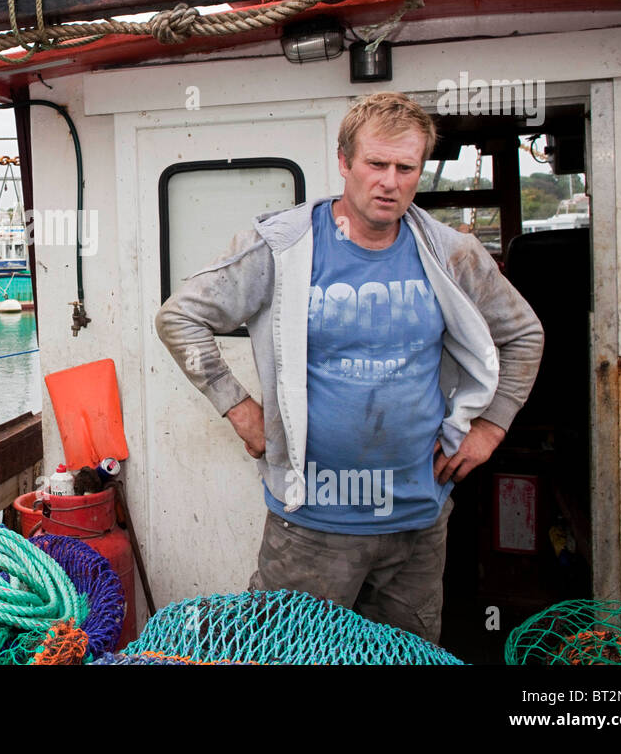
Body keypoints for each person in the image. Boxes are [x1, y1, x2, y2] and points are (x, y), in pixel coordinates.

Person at [154, 91, 543, 643]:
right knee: (290, 655)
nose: (390, 181)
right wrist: (240, 411)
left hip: (417, 521)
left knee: (406, 658)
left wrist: (491, 425)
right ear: (344, 162)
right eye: (375, 164)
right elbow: (179, 318)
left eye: (406, 167)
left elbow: (523, 334)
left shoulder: (450, 252)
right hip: (311, 526)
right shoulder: (281, 247)